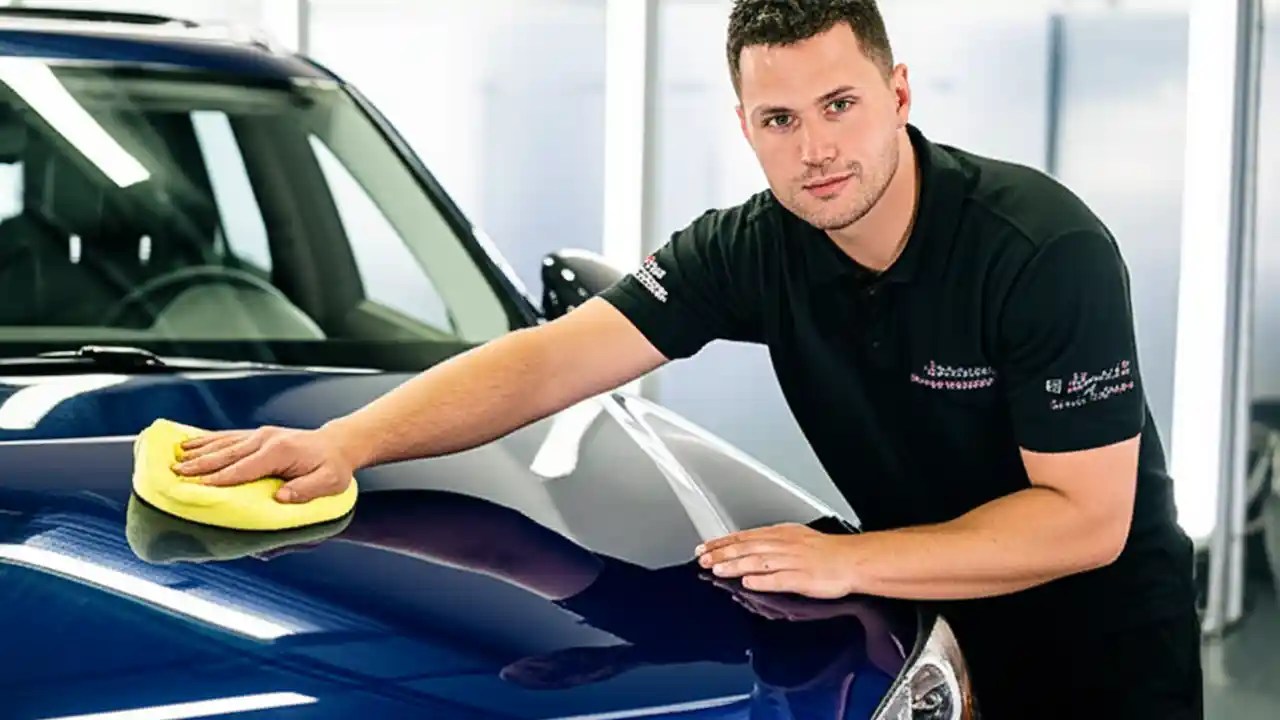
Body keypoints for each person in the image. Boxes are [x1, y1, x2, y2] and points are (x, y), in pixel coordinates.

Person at [172, 1, 1203, 716]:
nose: (815, 150)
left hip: (1091, 642)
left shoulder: (1036, 250)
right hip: (914, 615)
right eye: (778, 119)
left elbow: (1085, 520)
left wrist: (840, 557)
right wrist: (343, 442)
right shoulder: (753, 245)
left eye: (839, 105)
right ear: (747, 127)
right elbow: (546, 362)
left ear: (895, 93)